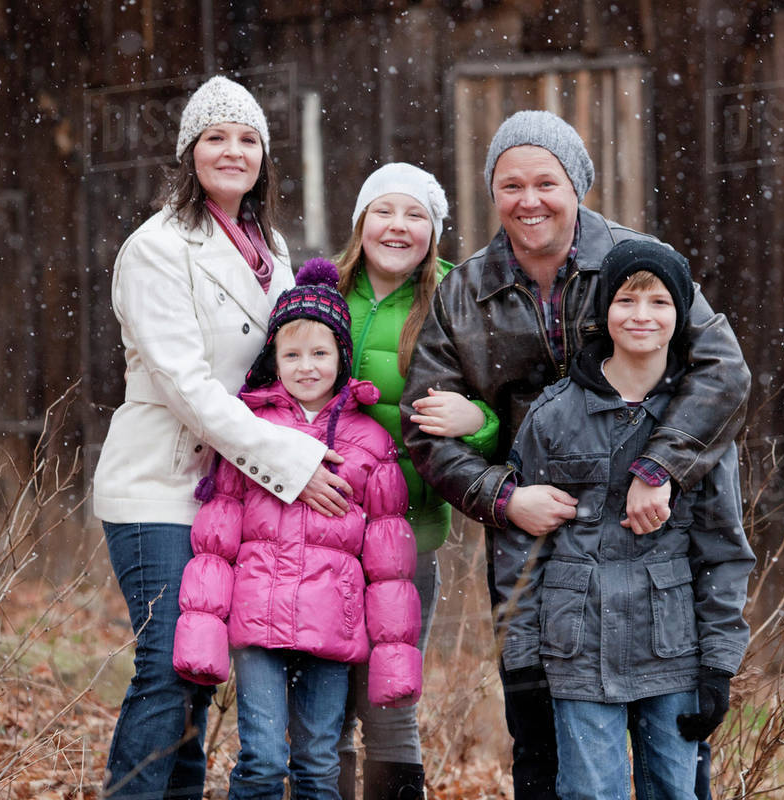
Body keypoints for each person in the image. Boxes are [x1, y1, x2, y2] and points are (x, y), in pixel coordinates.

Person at [401, 110, 751, 798]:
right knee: (543, 748)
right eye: (511, 185)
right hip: (537, 550)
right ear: (492, 192)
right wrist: (504, 498)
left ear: (578, 186)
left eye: (546, 182)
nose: (529, 201)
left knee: (674, 762)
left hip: (649, 543)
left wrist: (662, 468)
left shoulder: (636, 267)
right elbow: (427, 435)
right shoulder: (463, 295)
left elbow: (723, 372)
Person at [93, 76, 351, 799]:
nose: (232, 151)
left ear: (264, 157)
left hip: (234, 487)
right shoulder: (156, 249)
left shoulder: (267, 245)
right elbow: (191, 389)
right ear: (189, 152)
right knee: (168, 665)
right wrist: (294, 460)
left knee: (199, 669)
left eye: (247, 138)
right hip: (160, 482)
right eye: (215, 137)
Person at [494, 240, 756, 800]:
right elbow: (518, 553)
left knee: (674, 790)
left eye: (659, 302)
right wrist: (521, 665)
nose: (642, 315)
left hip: (673, 652)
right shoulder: (552, 416)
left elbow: (723, 552)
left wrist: (718, 665)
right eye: (627, 300)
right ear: (603, 311)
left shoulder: (697, 429)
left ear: (681, 316)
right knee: (590, 792)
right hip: (576, 651)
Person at [172, 258, 423, 800]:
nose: (306, 366)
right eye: (292, 354)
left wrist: (393, 655)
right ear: (274, 360)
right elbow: (215, 543)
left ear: (341, 356)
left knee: (317, 764)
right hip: (257, 619)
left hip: (332, 626)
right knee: (262, 759)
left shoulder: (370, 444)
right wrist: (203, 631)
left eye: (319, 353)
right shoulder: (249, 432)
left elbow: (390, 562)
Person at [334, 163, 499, 799]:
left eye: (416, 215)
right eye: (384, 211)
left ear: (434, 231)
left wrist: (475, 421)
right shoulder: (320, 290)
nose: (398, 227)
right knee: (322, 711)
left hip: (407, 535)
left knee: (389, 702)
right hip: (319, 529)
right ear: (361, 222)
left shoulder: (458, 297)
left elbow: (509, 410)